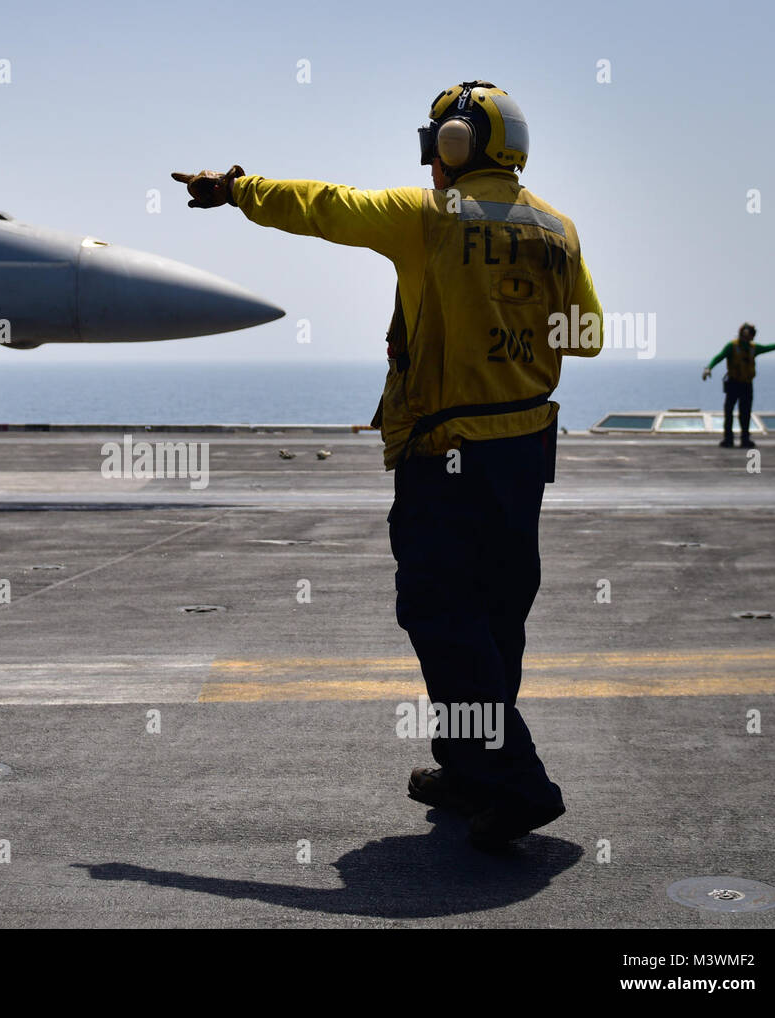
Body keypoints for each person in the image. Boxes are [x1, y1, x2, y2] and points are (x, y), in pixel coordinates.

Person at [174, 80, 603, 849]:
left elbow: (324, 204)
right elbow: (585, 337)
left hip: (447, 453)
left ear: (455, 145)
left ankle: (516, 782)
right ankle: (471, 768)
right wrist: (505, 323)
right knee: (497, 615)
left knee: (441, 614)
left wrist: (236, 189)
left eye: (434, 142)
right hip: (526, 452)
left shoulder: (428, 218)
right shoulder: (558, 229)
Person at [702, 324, 775, 448]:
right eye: (744, 335)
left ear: (752, 336)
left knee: (745, 413)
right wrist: (709, 368)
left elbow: (770, 347)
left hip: (746, 385)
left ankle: (745, 439)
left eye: (748, 336)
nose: (746, 338)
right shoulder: (732, 346)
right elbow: (719, 357)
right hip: (733, 384)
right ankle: (728, 439)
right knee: (729, 411)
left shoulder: (753, 348)